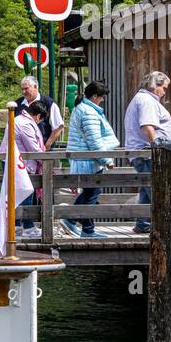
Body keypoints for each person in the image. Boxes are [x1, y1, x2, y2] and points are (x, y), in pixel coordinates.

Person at [61, 81, 120, 237]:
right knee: (91, 195)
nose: (103, 100)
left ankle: (70, 220)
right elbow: (94, 140)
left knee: (88, 194)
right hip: (87, 160)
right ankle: (87, 230)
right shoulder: (88, 112)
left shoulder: (83, 108)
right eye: (101, 97)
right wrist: (107, 160)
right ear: (94, 96)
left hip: (85, 159)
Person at [124, 71, 171, 234]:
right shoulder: (147, 101)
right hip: (148, 153)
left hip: (144, 153)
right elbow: (147, 127)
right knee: (158, 190)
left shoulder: (142, 99)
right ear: (155, 86)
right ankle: (166, 226)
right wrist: (158, 149)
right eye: (165, 88)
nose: (165, 92)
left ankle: (143, 224)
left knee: (148, 190)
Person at [0, 99, 49, 238]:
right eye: (40, 120)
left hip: (14, 161)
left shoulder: (18, 119)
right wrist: (46, 162)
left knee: (18, 193)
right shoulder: (25, 124)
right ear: (38, 116)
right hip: (20, 163)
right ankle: (26, 227)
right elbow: (33, 148)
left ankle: (18, 225)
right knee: (25, 192)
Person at [16, 76, 65, 148]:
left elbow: (58, 127)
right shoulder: (18, 103)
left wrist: (46, 147)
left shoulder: (49, 103)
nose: (23, 92)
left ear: (35, 86)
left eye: (26, 88)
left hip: (43, 150)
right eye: (22, 89)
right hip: (20, 151)